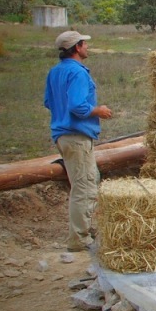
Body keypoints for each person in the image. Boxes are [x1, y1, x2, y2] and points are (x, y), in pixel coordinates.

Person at [43, 30, 113, 251]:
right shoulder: (78, 73)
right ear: (77, 47)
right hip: (77, 136)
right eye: (84, 44)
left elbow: (48, 101)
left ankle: (86, 230)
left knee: (88, 181)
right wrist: (97, 110)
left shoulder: (55, 72)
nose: (87, 47)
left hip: (63, 135)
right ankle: (80, 240)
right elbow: (77, 105)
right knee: (83, 187)